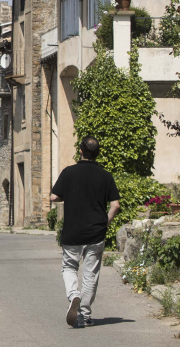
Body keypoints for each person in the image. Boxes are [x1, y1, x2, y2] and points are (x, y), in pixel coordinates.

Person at [50, 134, 121, 328]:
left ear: (80, 150)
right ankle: (84, 315)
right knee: (91, 274)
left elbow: (54, 196)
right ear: (97, 153)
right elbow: (115, 205)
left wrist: (69, 195)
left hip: (73, 232)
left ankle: (74, 296)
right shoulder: (106, 176)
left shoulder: (69, 172)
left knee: (69, 267)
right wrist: (104, 224)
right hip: (96, 233)